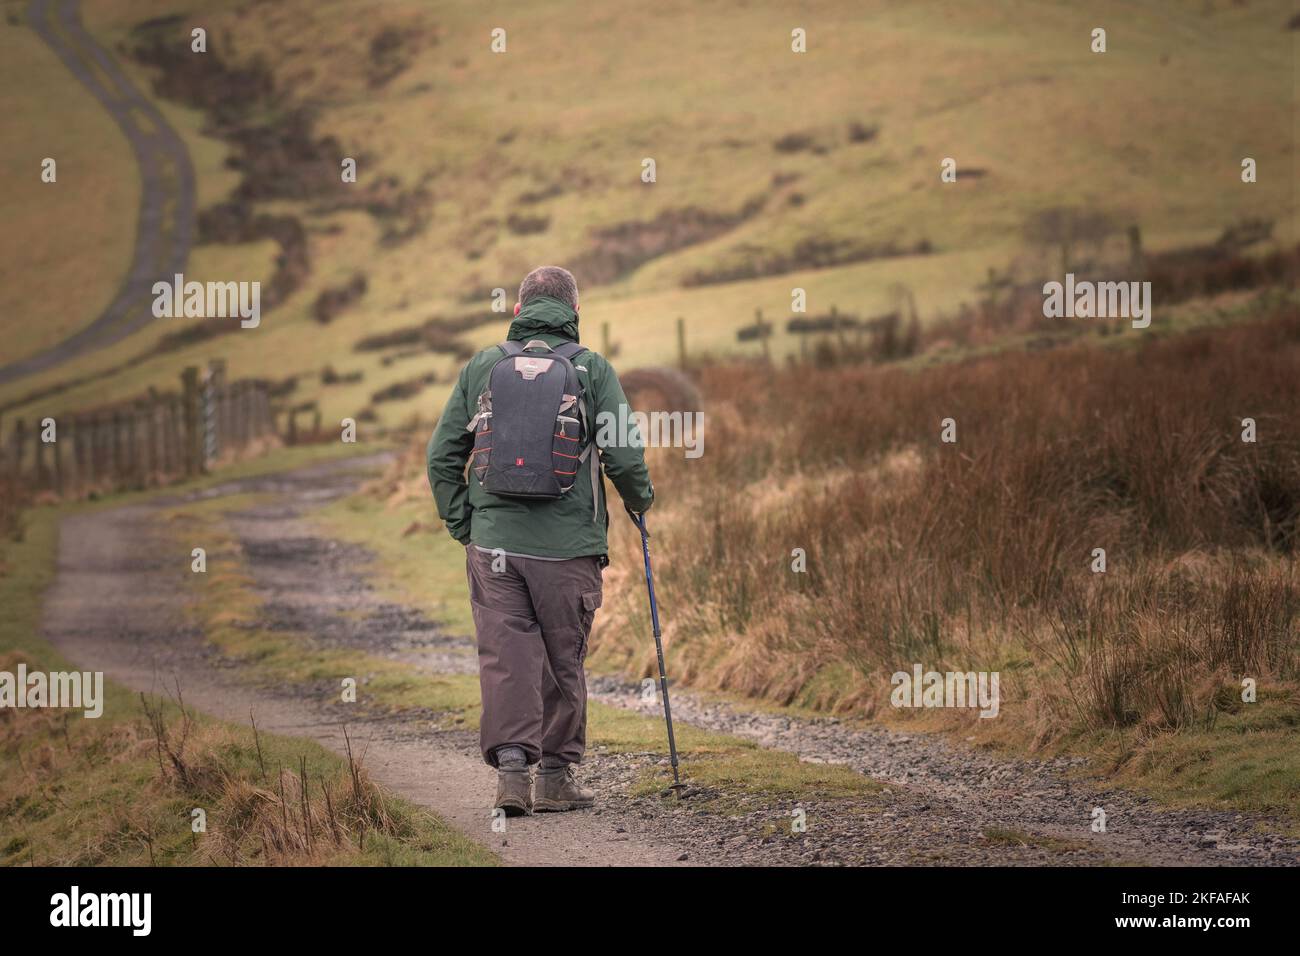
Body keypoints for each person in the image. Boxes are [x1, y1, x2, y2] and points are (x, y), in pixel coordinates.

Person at [426, 265, 653, 815]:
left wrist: (467, 526)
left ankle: (511, 777)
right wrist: (640, 500)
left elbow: (442, 456)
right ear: (575, 314)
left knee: (507, 656)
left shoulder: (483, 365)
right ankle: (554, 778)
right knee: (561, 656)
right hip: (567, 547)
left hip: (495, 546)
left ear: (517, 311)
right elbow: (622, 454)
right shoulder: (592, 369)